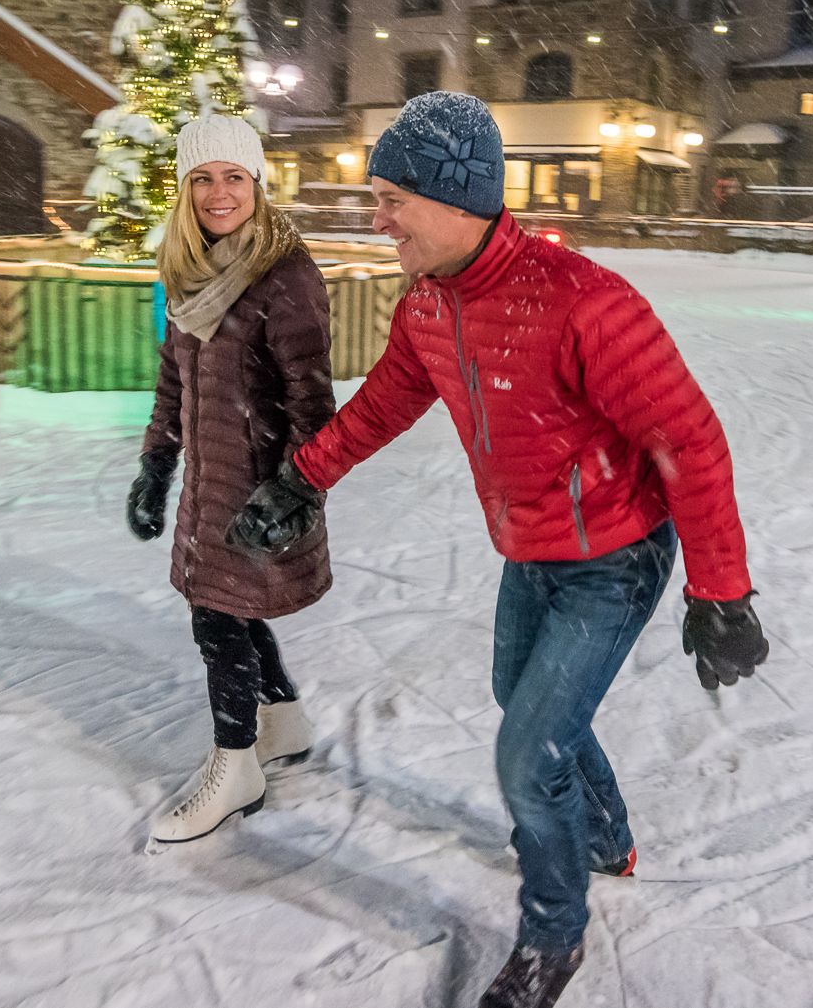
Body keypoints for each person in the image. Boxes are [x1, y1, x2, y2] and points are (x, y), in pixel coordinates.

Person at [229, 93, 769, 1008]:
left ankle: (554, 935)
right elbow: (384, 404)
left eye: (395, 197)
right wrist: (301, 479)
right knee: (521, 705)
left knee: (528, 751)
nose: (379, 217)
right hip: (530, 545)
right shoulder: (432, 304)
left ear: (458, 200)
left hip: (617, 553)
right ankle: (600, 836)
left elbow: (692, 441)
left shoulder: (586, 304)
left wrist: (721, 591)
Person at [126, 113, 336, 846]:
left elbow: (315, 404)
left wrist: (298, 491)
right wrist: (157, 463)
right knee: (229, 610)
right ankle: (282, 720)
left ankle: (236, 763)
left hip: (260, 490)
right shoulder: (190, 269)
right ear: (186, 189)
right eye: (204, 178)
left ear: (257, 183)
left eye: (235, 177)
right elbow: (172, 380)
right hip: (207, 486)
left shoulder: (285, 276)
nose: (220, 193)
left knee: (217, 618)